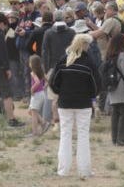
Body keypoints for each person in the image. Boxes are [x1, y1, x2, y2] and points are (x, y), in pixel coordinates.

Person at [49, 33, 100, 179]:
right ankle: (84, 171)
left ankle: (63, 170)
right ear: (84, 45)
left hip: (65, 103)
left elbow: (53, 82)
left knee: (65, 135)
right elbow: (97, 86)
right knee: (83, 136)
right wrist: (90, 96)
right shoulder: (89, 63)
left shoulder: (64, 60)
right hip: (83, 103)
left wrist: (61, 93)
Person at [41, 10, 76, 125]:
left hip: (53, 67)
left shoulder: (48, 33)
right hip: (68, 66)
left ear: (53, 19)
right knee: (68, 94)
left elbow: (45, 53)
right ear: (64, 19)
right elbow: (74, 51)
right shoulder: (71, 32)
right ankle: (67, 119)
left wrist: (46, 70)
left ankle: (51, 119)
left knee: (52, 96)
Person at [105, 34, 124, 145]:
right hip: (121, 86)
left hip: (112, 87)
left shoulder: (108, 56)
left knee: (115, 114)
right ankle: (122, 139)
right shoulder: (122, 55)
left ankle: (115, 138)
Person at [28, 54, 48, 136]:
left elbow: (37, 82)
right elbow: (47, 80)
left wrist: (32, 89)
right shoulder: (41, 72)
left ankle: (35, 132)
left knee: (33, 114)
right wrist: (43, 87)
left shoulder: (33, 73)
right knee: (30, 111)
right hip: (42, 94)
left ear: (32, 64)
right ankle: (43, 123)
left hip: (36, 94)